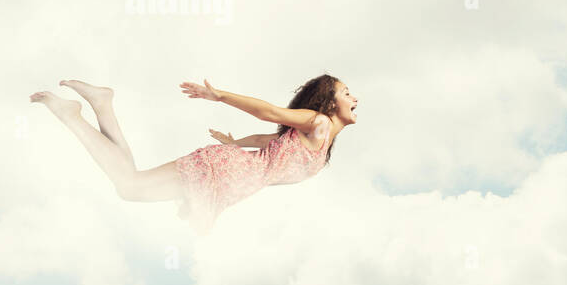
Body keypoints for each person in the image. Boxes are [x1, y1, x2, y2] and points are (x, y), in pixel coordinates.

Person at [30, 74, 357, 232]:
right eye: (346, 93)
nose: (354, 98)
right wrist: (219, 96)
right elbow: (270, 114)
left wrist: (234, 142)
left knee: (131, 187)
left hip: (230, 178)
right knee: (130, 187)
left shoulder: (318, 143)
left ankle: (102, 105)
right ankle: (75, 115)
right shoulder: (320, 123)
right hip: (224, 173)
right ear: (329, 104)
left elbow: (266, 141)